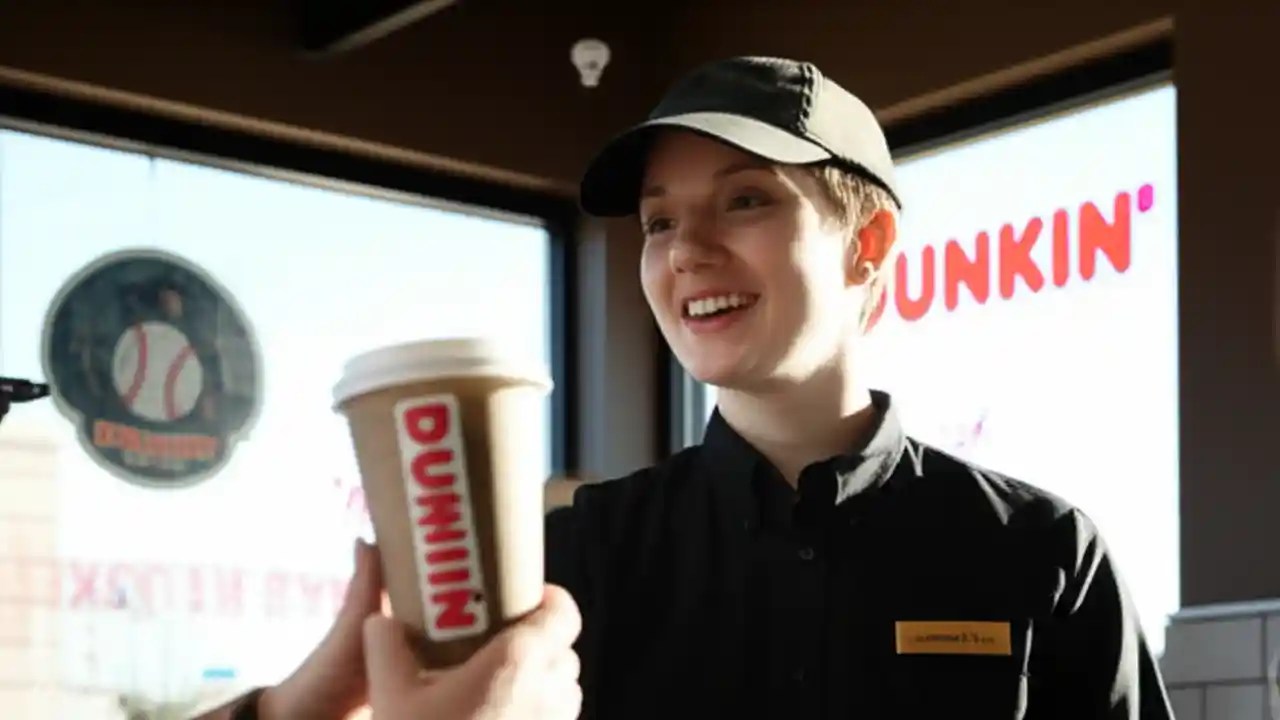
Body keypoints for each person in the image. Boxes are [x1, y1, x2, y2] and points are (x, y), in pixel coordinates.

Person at [208, 56, 1175, 719]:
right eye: (659, 222)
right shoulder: (560, 568)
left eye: (746, 199)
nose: (687, 252)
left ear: (868, 246)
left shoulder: (1043, 554)